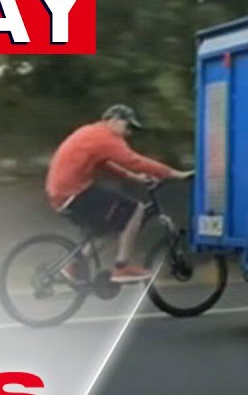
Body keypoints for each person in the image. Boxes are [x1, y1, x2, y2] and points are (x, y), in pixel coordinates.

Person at [45, 104, 192, 283]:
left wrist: (135, 178)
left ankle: (73, 267)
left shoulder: (92, 133)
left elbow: (104, 164)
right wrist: (173, 173)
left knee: (110, 228)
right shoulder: (105, 137)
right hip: (73, 192)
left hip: (63, 193)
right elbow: (133, 160)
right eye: (127, 126)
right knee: (135, 208)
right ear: (114, 120)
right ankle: (121, 269)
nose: (129, 132)